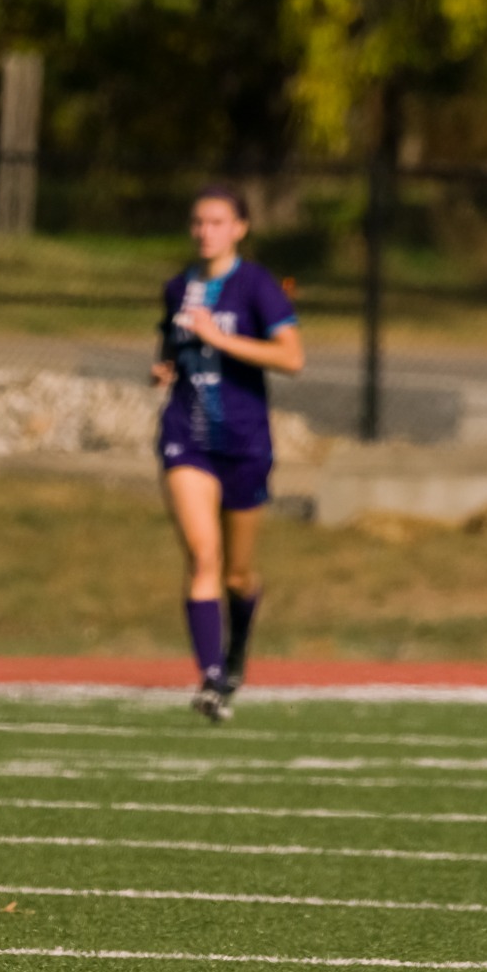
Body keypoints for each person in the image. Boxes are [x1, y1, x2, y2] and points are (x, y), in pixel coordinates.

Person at [153, 186, 304, 723]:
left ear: (239, 228)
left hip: (243, 441)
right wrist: (164, 367)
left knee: (237, 575)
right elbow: (171, 346)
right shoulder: (178, 287)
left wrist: (221, 339)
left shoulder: (257, 285)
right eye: (198, 222)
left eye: (217, 222)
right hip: (187, 436)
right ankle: (212, 679)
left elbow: (292, 358)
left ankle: (236, 648)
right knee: (203, 557)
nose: (205, 231)